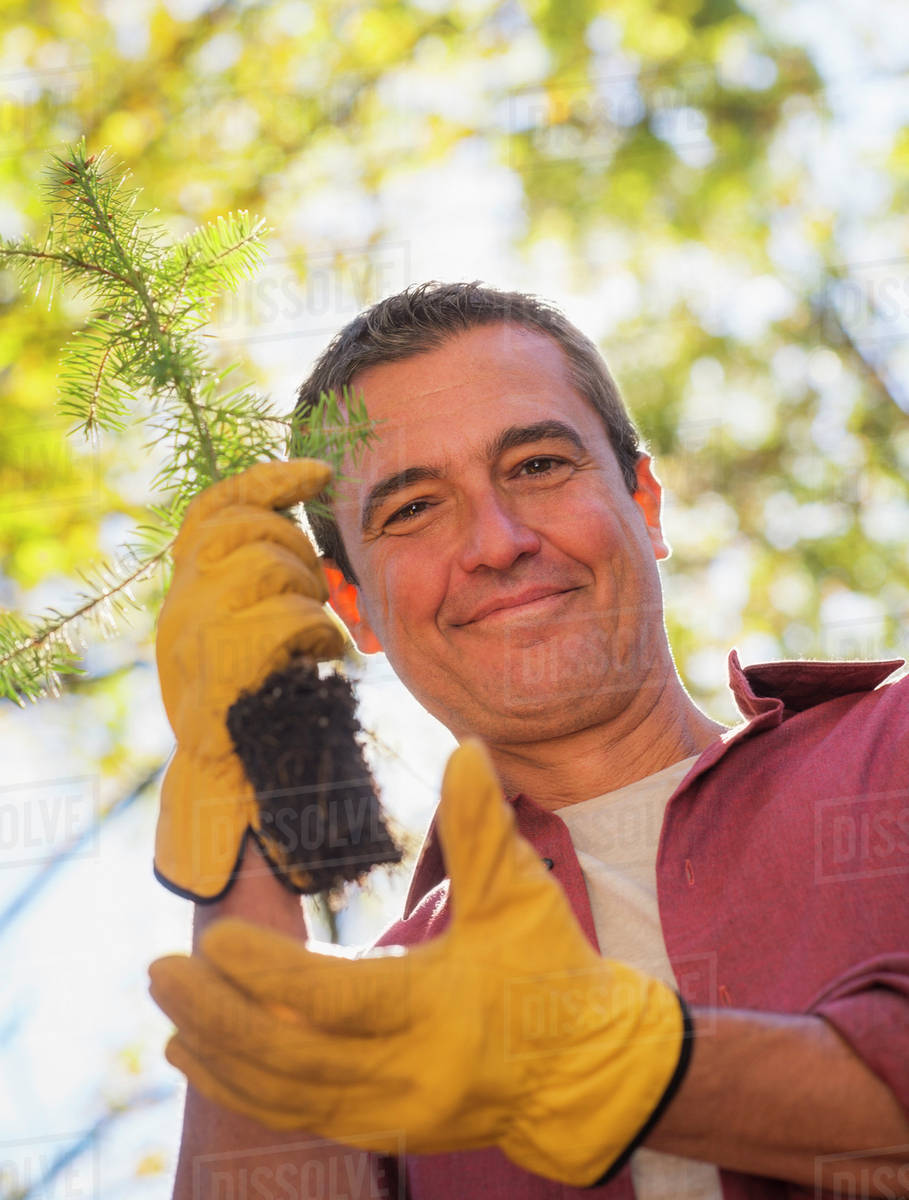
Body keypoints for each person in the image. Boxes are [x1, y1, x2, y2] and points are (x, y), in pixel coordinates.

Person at [149, 282, 909, 1200]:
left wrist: (627, 1069)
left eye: (539, 465)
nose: (498, 542)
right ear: (354, 607)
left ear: (645, 501)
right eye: (412, 509)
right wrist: (248, 798)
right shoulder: (397, 1007)